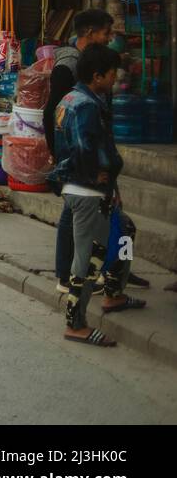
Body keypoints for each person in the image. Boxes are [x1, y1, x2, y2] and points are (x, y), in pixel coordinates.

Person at [49, 44, 145, 349]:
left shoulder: (75, 99)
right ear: (97, 75)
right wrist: (95, 175)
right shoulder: (85, 105)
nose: (115, 79)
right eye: (111, 74)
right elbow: (82, 148)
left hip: (92, 190)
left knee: (124, 233)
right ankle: (76, 324)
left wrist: (110, 186)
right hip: (86, 191)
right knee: (87, 259)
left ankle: (114, 294)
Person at [44, 9, 113, 292]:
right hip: (77, 160)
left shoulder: (90, 64)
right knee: (76, 222)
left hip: (85, 160)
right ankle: (72, 280)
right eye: (106, 33)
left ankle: (103, 272)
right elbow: (53, 112)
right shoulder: (70, 67)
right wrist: (57, 153)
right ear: (89, 33)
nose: (109, 39)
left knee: (78, 218)